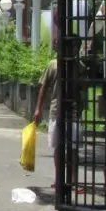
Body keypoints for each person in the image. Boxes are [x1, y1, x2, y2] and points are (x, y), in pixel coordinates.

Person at [33, 57, 59, 187]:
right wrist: (38, 108)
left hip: (73, 111)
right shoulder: (53, 65)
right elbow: (43, 88)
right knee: (57, 147)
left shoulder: (78, 65)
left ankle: (73, 180)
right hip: (56, 110)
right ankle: (58, 178)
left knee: (74, 148)